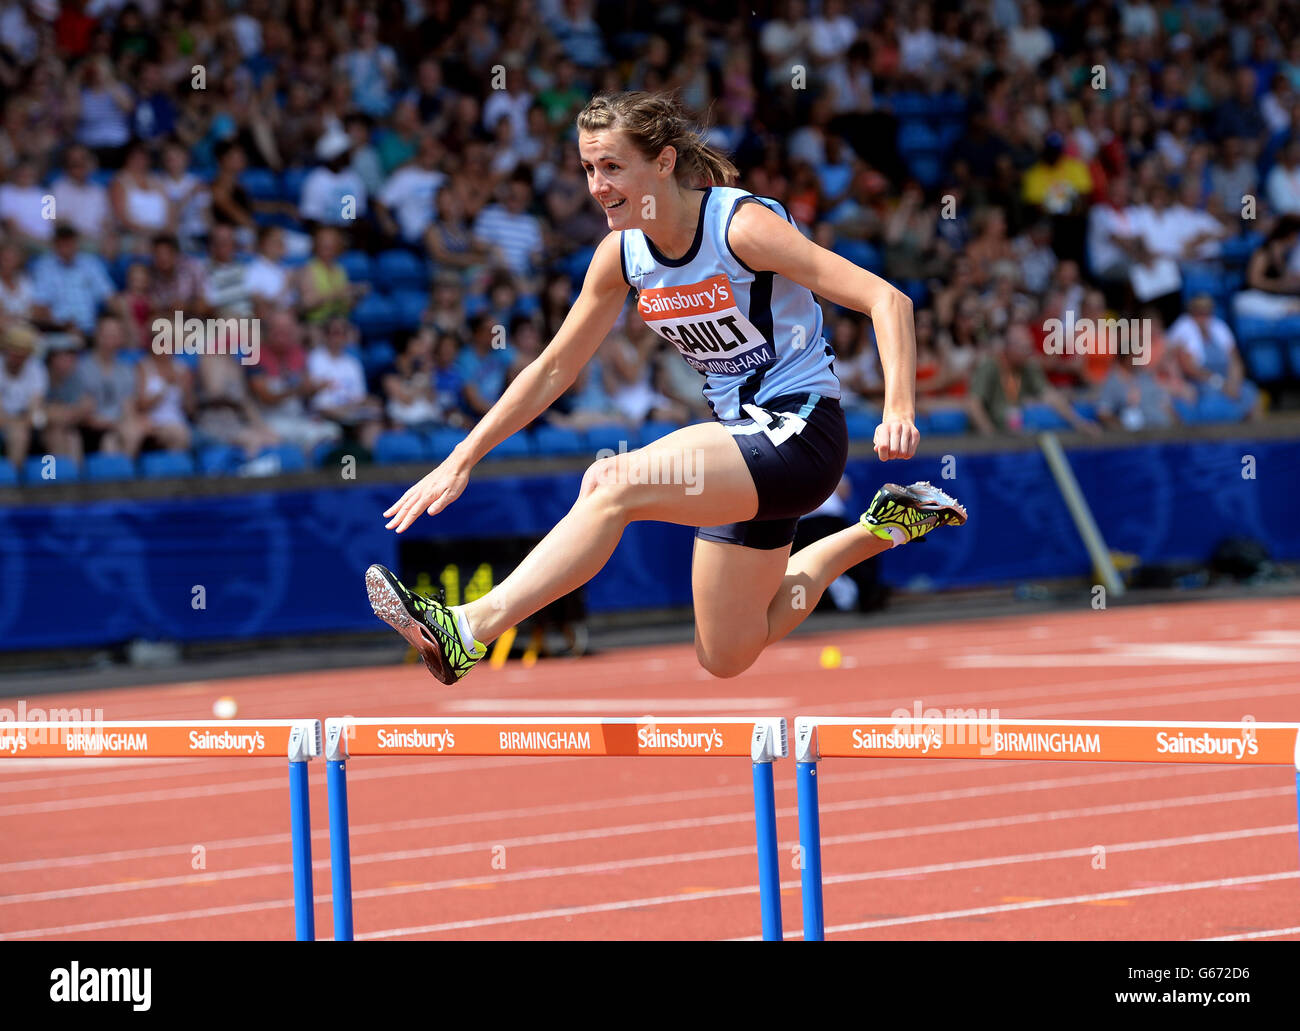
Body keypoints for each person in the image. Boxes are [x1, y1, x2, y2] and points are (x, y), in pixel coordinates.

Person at [365, 92, 967, 684]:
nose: (597, 185)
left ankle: (467, 630)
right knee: (725, 655)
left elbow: (887, 299)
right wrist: (461, 458)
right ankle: (881, 527)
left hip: (799, 433)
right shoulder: (621, 256)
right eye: (588, 169)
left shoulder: (740, 227)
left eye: (612, 167)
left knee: (611, 482)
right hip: (740, 447)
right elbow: (553, 369)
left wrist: (898, 408)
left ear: (664, 161)